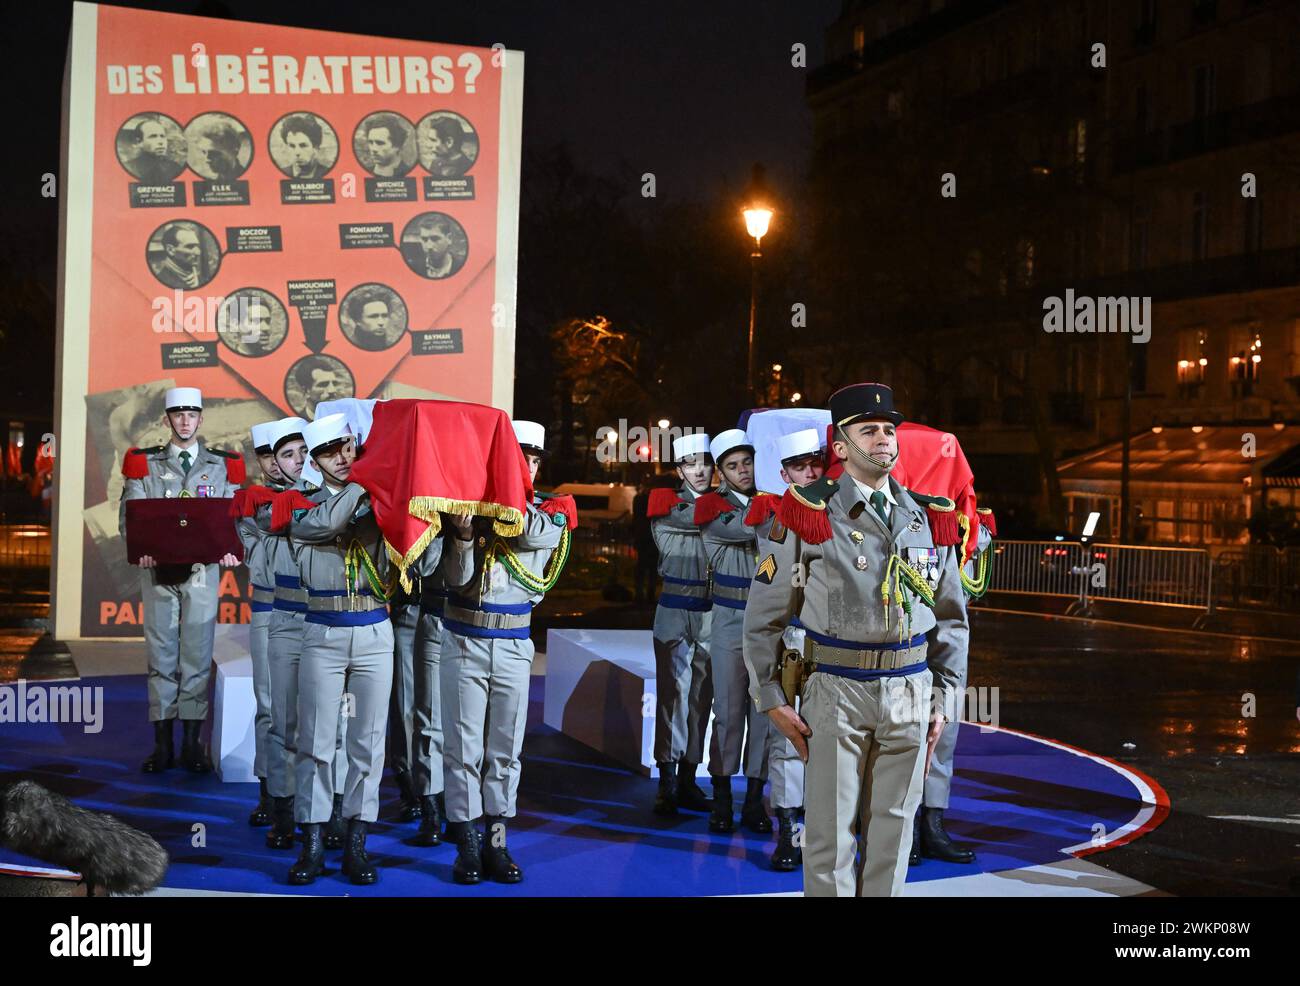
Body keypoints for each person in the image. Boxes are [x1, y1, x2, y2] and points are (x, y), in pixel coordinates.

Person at [742, 383, 967, 897]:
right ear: (840, 447)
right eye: (869, 429)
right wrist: (771, 698)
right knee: (828, 836)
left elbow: (953, 620)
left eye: (890, 429)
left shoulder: (928, 516)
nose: (885, 438)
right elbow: (765, 618)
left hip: (911, 690)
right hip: (837, 689)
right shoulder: (807, 513)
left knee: (893, 834)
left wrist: (945, 698)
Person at [285, 415, 474, 886]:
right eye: (330, 452)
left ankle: (356, 843)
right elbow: (322, 526)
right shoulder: (298, 503)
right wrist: (367, 486)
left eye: (348, 447)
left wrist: (434, 525)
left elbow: (425, 562)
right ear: (313, 460)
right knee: (316, 741)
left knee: (367, 743)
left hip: (374, 630)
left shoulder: (383, 504)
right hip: (322, 631)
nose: (343, 458)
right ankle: (311, 843)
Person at [441, 420, 576, 885]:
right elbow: (455, 580)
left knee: (505, 749)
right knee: (462, 748)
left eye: (533, 461)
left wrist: (500, 507)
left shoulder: (549, 512)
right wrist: (460, 536)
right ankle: (466, 844)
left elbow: (534, 537)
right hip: (463, 639)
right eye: (517, 460)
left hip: (515, 643)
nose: (527, 468)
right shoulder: (464, 511)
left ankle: (496, 841)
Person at [119, 387, 243, 776]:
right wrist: (140, 548)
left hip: (203, 572)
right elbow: (131, 516)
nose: (185, 420)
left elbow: (234, 517)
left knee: (196, 656)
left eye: (192, 413)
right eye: (178, 414)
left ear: (201, 419)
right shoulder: (145, 464)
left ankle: (191, 744)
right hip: (158, 571)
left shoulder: (223, 466)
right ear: (167, 420)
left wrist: (232, 548)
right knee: (160, 657)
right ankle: (162, 745)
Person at [260, 417, 349, 852]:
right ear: (274, 463)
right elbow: (261, 570)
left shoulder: (333, 503)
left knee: (332, 728)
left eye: (301, 453)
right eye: (286, 455)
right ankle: (284, 811)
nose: (295, 463)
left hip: (326, 621)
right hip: (288, 621)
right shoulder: (268, 506)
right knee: (286, 723)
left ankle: (329, 812)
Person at [743, 427, 825, 870]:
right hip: (795, 639)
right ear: (784, 473)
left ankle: (829, 824)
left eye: (815, 463)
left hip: (836, 643)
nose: (810, 472)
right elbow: (771, 578)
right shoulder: (778, 516)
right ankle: (790, 830)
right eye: (799, 466)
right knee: (790, 735)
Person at [693, 428, 772, 834]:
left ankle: (755, 799)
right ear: (721, 473)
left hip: (768, 622)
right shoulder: (711, 507)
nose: (743, 471)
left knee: (765, 713)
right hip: (728, 618)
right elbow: (749, 528)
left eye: (748, 462)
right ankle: (722, 797)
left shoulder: (769, 502)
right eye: (733, 466)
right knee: (727, 711)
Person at [647, 432, 715, 816]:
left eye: (705, 462)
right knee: (674, 695)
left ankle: (689, 777)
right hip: (676, 609)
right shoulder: (666, 504)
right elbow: (701, 526)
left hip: (711, 613)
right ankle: (668, 781)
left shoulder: (724, 507)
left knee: (701, 699)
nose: (700, 470)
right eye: (691, 463)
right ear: (679, 470)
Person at [233, 421, 290, 829]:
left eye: (284, 454)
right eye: (267, 456)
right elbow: (262, 561)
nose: (276, 464)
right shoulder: (249, 503)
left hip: (312, 614)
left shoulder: (315, 499)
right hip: (270, 609)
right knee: (269, 705)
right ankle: (270, 791)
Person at [124, 116, 181, 183]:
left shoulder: (175, 167)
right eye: (153, 136)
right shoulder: (129, 168)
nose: (160, 142)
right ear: (139, 142)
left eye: (162, 136)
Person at [152, 224, 208, 290]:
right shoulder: (159, 283)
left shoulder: (202, 281)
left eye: (197, 246)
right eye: (190, 246)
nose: (198, 252)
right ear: (170, 250)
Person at [631, 479, 657, 604]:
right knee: (652, 567)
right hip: (652, 537)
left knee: (642, 567)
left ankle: (640, 593)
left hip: (642, 537)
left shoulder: (639, 499)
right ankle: (649, 593)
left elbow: (636, 519)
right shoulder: (656, 500)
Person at [280, 114, 328, 179]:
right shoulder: (281, 173)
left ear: (315, 148)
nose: (297, 153)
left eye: (303, 146)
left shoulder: (326, 172)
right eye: (292, 146)